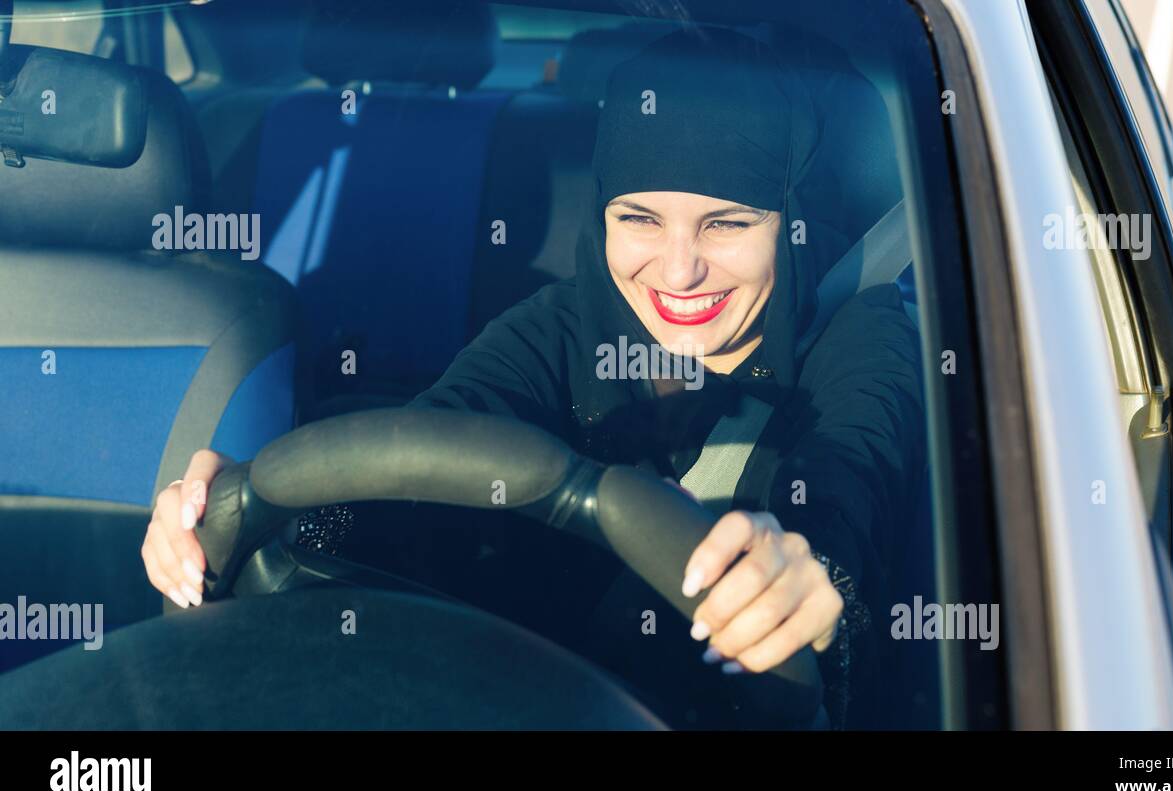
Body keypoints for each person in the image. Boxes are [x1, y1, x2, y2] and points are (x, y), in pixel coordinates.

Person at [140, 27, 925, 729]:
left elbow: (851, 473)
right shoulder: (565, 321)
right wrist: (248, 508)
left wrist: (809, 583)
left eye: (726, 223)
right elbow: (426, 441)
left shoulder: (864, 340)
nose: (679, 268)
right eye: (639, 218)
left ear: (788, 223)